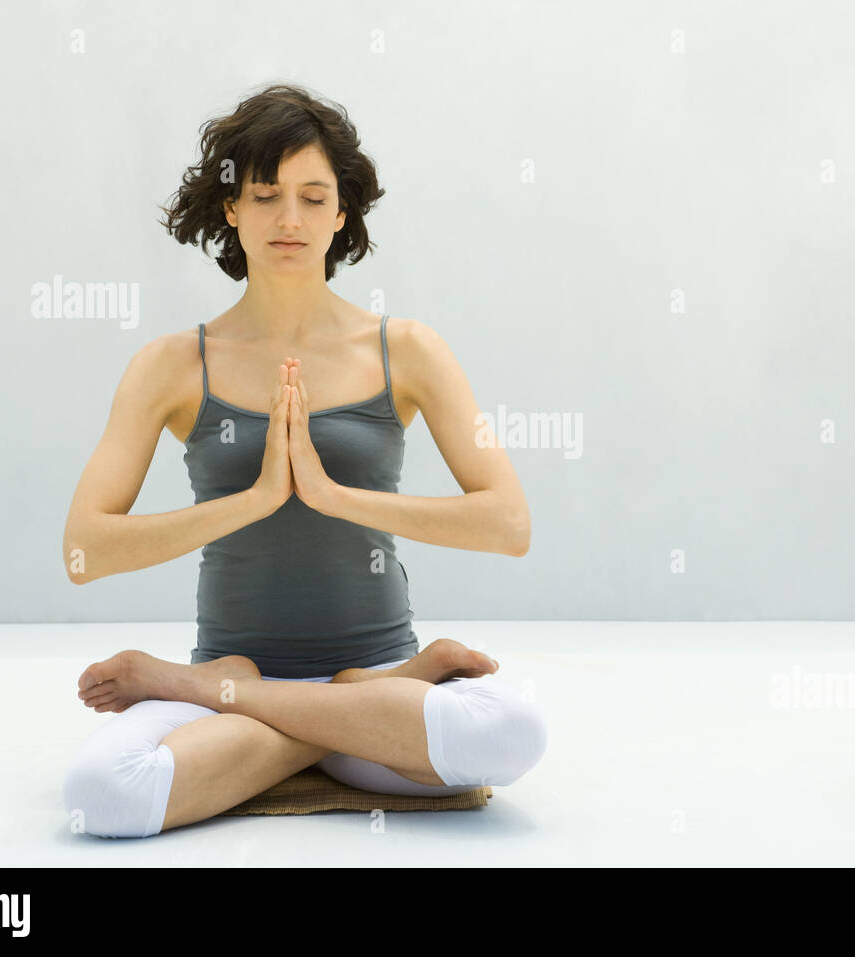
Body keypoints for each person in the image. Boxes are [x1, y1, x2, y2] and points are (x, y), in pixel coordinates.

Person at [59, 84, 546, 838]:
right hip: (345, 709)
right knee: (102, 793)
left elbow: (508, 522)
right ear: (231, 209)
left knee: (514, 726)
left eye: (315, 198)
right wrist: (251, 500)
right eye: (265, 195)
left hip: (347, 682)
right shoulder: (171, 365)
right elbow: (84, 549)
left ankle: (239, 699)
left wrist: (335, 494)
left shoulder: (408, 351)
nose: (290, 219)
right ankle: (311, 715)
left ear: (342, 214)